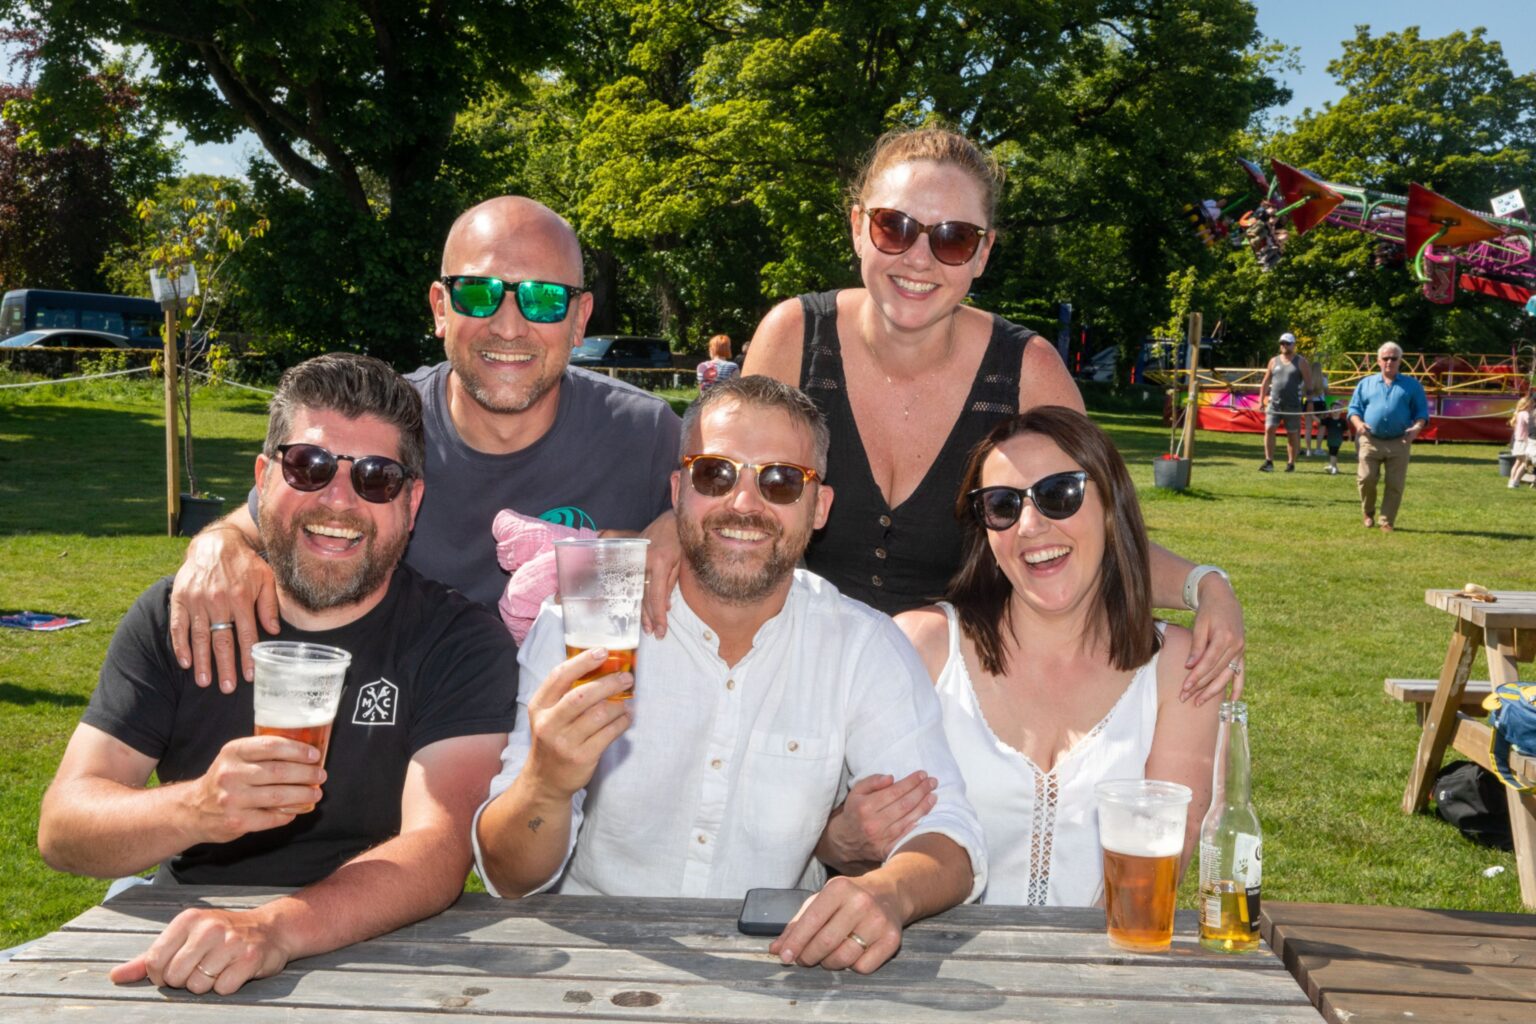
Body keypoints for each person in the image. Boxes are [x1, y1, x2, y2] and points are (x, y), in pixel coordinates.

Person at [36, 354, 518, 995]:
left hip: (384, 938)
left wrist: (271, 929)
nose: (339, 500)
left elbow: (438, 850)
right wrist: (198, 808)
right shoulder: (177, 614)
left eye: (377, 477)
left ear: (412, 501)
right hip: (185, 923)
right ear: (264, 477)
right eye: (308, 467)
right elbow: (64, 829)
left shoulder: (459, 641)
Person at [473, 376, 985, 974]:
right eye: (716, 474)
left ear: (819, 508)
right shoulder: (583, 624)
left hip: (782, 966)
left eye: (780, 480)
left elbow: (951, 838)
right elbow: (508, 877)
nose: (744, 504)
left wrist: (888, 891)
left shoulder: (861, 645)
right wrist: (547, 782)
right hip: (590, 968)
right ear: (677, 491)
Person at [722, 125, 1243, 702]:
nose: (919, 258)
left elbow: (1094, 533)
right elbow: (722, 497)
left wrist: (1205, 584)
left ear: (983, 253)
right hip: (785, 679)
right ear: (857, 229)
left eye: (952, 239)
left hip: (955, 700)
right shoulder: (794, 337)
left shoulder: (1027, 371)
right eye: (893, 227)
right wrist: (667, 536)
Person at [170, 196, 682, 691]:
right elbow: (262, 518)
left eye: (543, 298)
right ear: (440, 307)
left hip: (583, 752)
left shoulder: (644, 433)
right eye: (478, 293)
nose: (508, 327)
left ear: (580, 319)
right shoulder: (382, 426)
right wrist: (218, 544)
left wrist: (676, 527)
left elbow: (737, 524)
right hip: (406, 743)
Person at [818, 407, 1218, 905]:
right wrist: (838, 838)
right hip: (930, 969)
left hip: (1100, 971)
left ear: (1111, 504)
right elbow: (820, 825)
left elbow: (1154, 874)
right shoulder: (923, 648)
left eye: (1058, 495)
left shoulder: (1178, 667)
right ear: (985, 528)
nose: (1030, 525)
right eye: (1003, 505)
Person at [1348, 341, 1430, 531]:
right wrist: (1358, 424)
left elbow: (1422, 413)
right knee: (1366, 478)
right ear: (1378, 361)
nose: (1389, 362)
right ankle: (1368, 511)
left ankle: (1387, 521)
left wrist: (1417, 428)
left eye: (1394, 358)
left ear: (1400, 360)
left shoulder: (1412, 385)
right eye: (1385, 358)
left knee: (1394, 484)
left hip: (1399, 441)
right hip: (1370, 439)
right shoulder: (1365, 383)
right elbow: (1353, 409)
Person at [1257, 332, 1313, 472]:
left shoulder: (1301, 361)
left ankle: (1291, 463)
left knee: (1292, 433)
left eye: (1287, 343)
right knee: (1269, 429)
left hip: (1293, 404)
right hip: (1274, 403)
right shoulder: (1273, 361)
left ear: (1293, 345)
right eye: (1282, 343)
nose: (1284, 346)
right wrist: (1261, 400)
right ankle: (1269, 461)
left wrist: (1310, 401)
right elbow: (1266, 381)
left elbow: (1309, 382)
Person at [1508, 393, 1534, 489]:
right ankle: (1516, 481)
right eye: (1531, 405)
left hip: (1517, 442)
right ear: (1527, 405)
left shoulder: (1518, 414)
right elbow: (1531, 423)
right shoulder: (1525, 414)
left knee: (1517, 462)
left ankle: (1511, 481)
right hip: (1524, 442)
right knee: (1526, 463)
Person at [1304, 362, 1329, 457]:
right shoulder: (1323, 379)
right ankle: (1318, 448)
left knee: (1308, 428)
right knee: (1322, 427)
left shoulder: (1307, 379)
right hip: (1320, 404)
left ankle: (1308, 450)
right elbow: (1327, 392)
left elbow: (1303, 392)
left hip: (1309, 403)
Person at [1321, 402, 1348, 476]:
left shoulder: (1342, 421)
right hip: (1330, 440)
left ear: (1341, 411)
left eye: (1338, 408)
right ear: (1331, 410)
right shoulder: (1328, 420)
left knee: (1333, 453)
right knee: (1332, 454)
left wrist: (1349, 437)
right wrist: (1311, 415)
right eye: (1334, 408)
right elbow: (1320, 421)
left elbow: (1347, 430)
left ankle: (1332, 467)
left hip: (1337, 440)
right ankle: (1335, 467)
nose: (1336, 410)